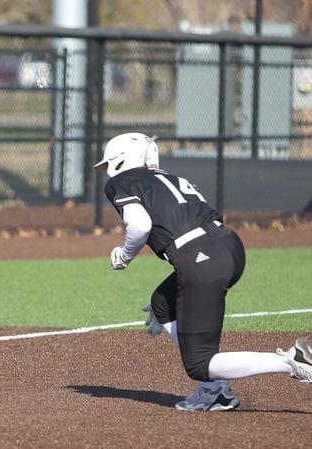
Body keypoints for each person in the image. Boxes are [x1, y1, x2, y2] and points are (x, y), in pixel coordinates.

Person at [95, 132, 312, 412]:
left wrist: (124, 255)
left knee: (199, 363)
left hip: (200, 258)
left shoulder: (122, 181)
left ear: (120, 159)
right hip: (230, 245)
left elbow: (139, 226)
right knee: (162, 305)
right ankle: (216, 393)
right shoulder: (172, 179)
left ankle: (292, 361)